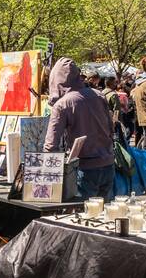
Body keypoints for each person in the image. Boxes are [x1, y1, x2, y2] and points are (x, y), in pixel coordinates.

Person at [43, 57, 115, 200]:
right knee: (104, 218)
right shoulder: (99, 95)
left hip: (84, 168)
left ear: (55, 80)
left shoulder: (62, 104)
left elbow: (51, 145)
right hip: (107, 163)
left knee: (82, 217)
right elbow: (111, 128)